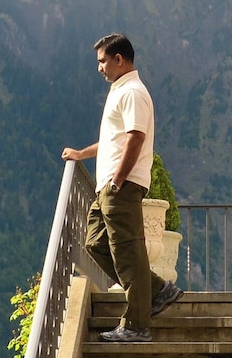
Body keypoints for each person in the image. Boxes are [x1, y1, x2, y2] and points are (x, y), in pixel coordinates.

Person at [61, 33, 184, 343]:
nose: (99, 67)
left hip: (121, 186)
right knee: (95, 243)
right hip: (109, 187)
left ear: (119, 59)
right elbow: (115, 140)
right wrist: (81, 154)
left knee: (128, 255)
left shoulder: (132, 92)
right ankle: (157, 290)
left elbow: (135, 138)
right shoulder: (121, 92)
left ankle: (136, 326)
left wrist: (117, 180)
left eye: (102, 61)